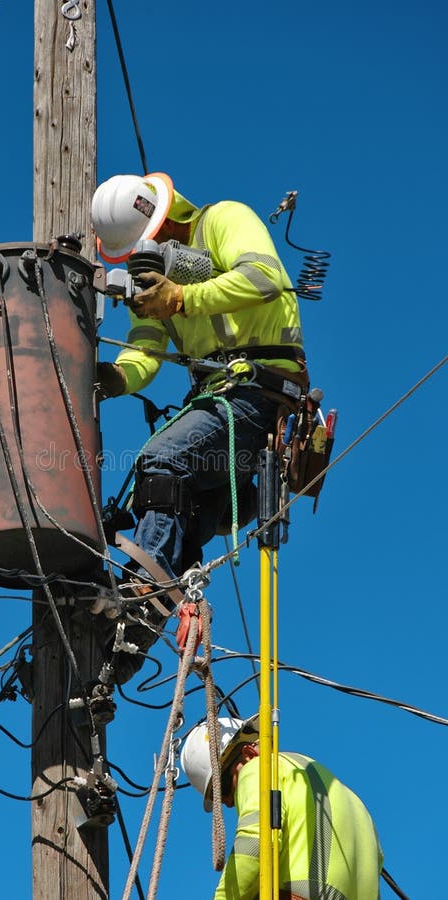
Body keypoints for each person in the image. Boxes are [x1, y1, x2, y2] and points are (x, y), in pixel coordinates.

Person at [92, 173, 309, 678]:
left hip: (262, 391)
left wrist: (182, 298)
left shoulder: (223, 218)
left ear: (166, 218)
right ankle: (130, 636)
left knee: (163, 459)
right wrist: (106, 378)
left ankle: (146, 589)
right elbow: (143, 355)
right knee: (183, 511)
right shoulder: (154, 284)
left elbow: (264, 278)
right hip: (222, 400)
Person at [180, 716, 384, 900]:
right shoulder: (353, 802)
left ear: (249, 752)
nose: (226, 801)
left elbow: (254, 841)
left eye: (222, 787)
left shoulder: (258, 768)